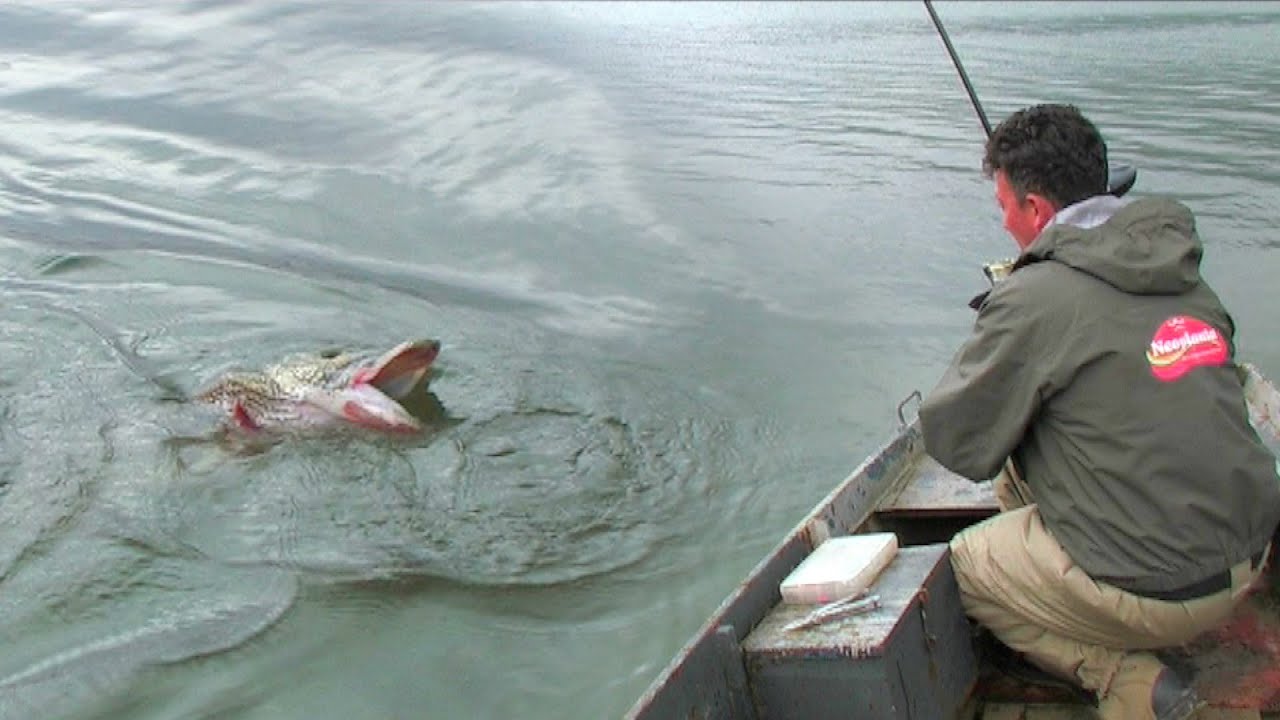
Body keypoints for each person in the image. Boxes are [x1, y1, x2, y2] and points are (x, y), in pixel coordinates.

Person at [918, 103, 1280, 720]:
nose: (1004, 222)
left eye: (1004, 206)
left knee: (966, 566)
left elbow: (957, 443)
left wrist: (1006, 318)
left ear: (1035, 210)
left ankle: (1127, 680)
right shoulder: (1183, 270)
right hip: (1249, 554)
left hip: (1159, 589)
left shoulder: (1032, 295)